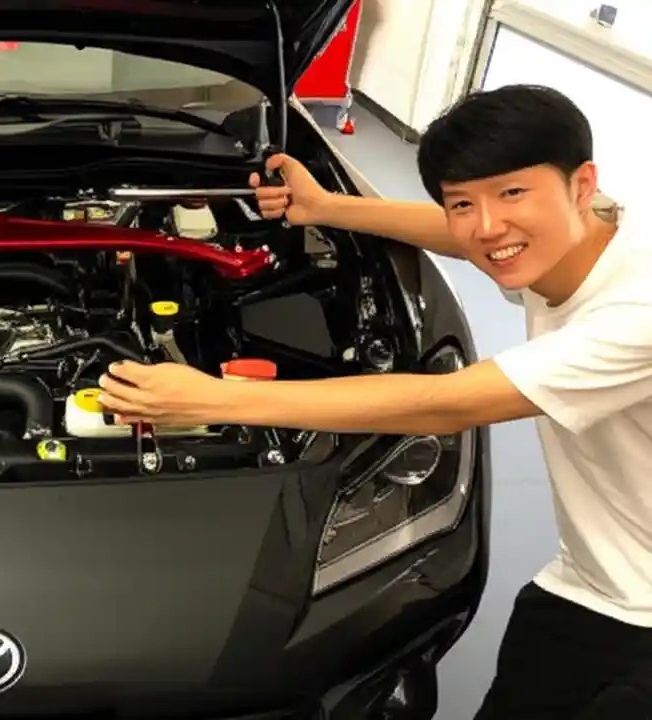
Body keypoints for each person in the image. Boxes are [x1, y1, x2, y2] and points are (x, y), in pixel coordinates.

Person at [98, 83, 652, 718]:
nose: (490, 226)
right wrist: (327, 207)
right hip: (590, 582)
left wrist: (216, 400)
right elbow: (462, 235)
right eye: (463, 201)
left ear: (582, 184)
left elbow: (448, 403)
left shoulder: (638, 310)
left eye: (513, 193)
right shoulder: (593, 229)